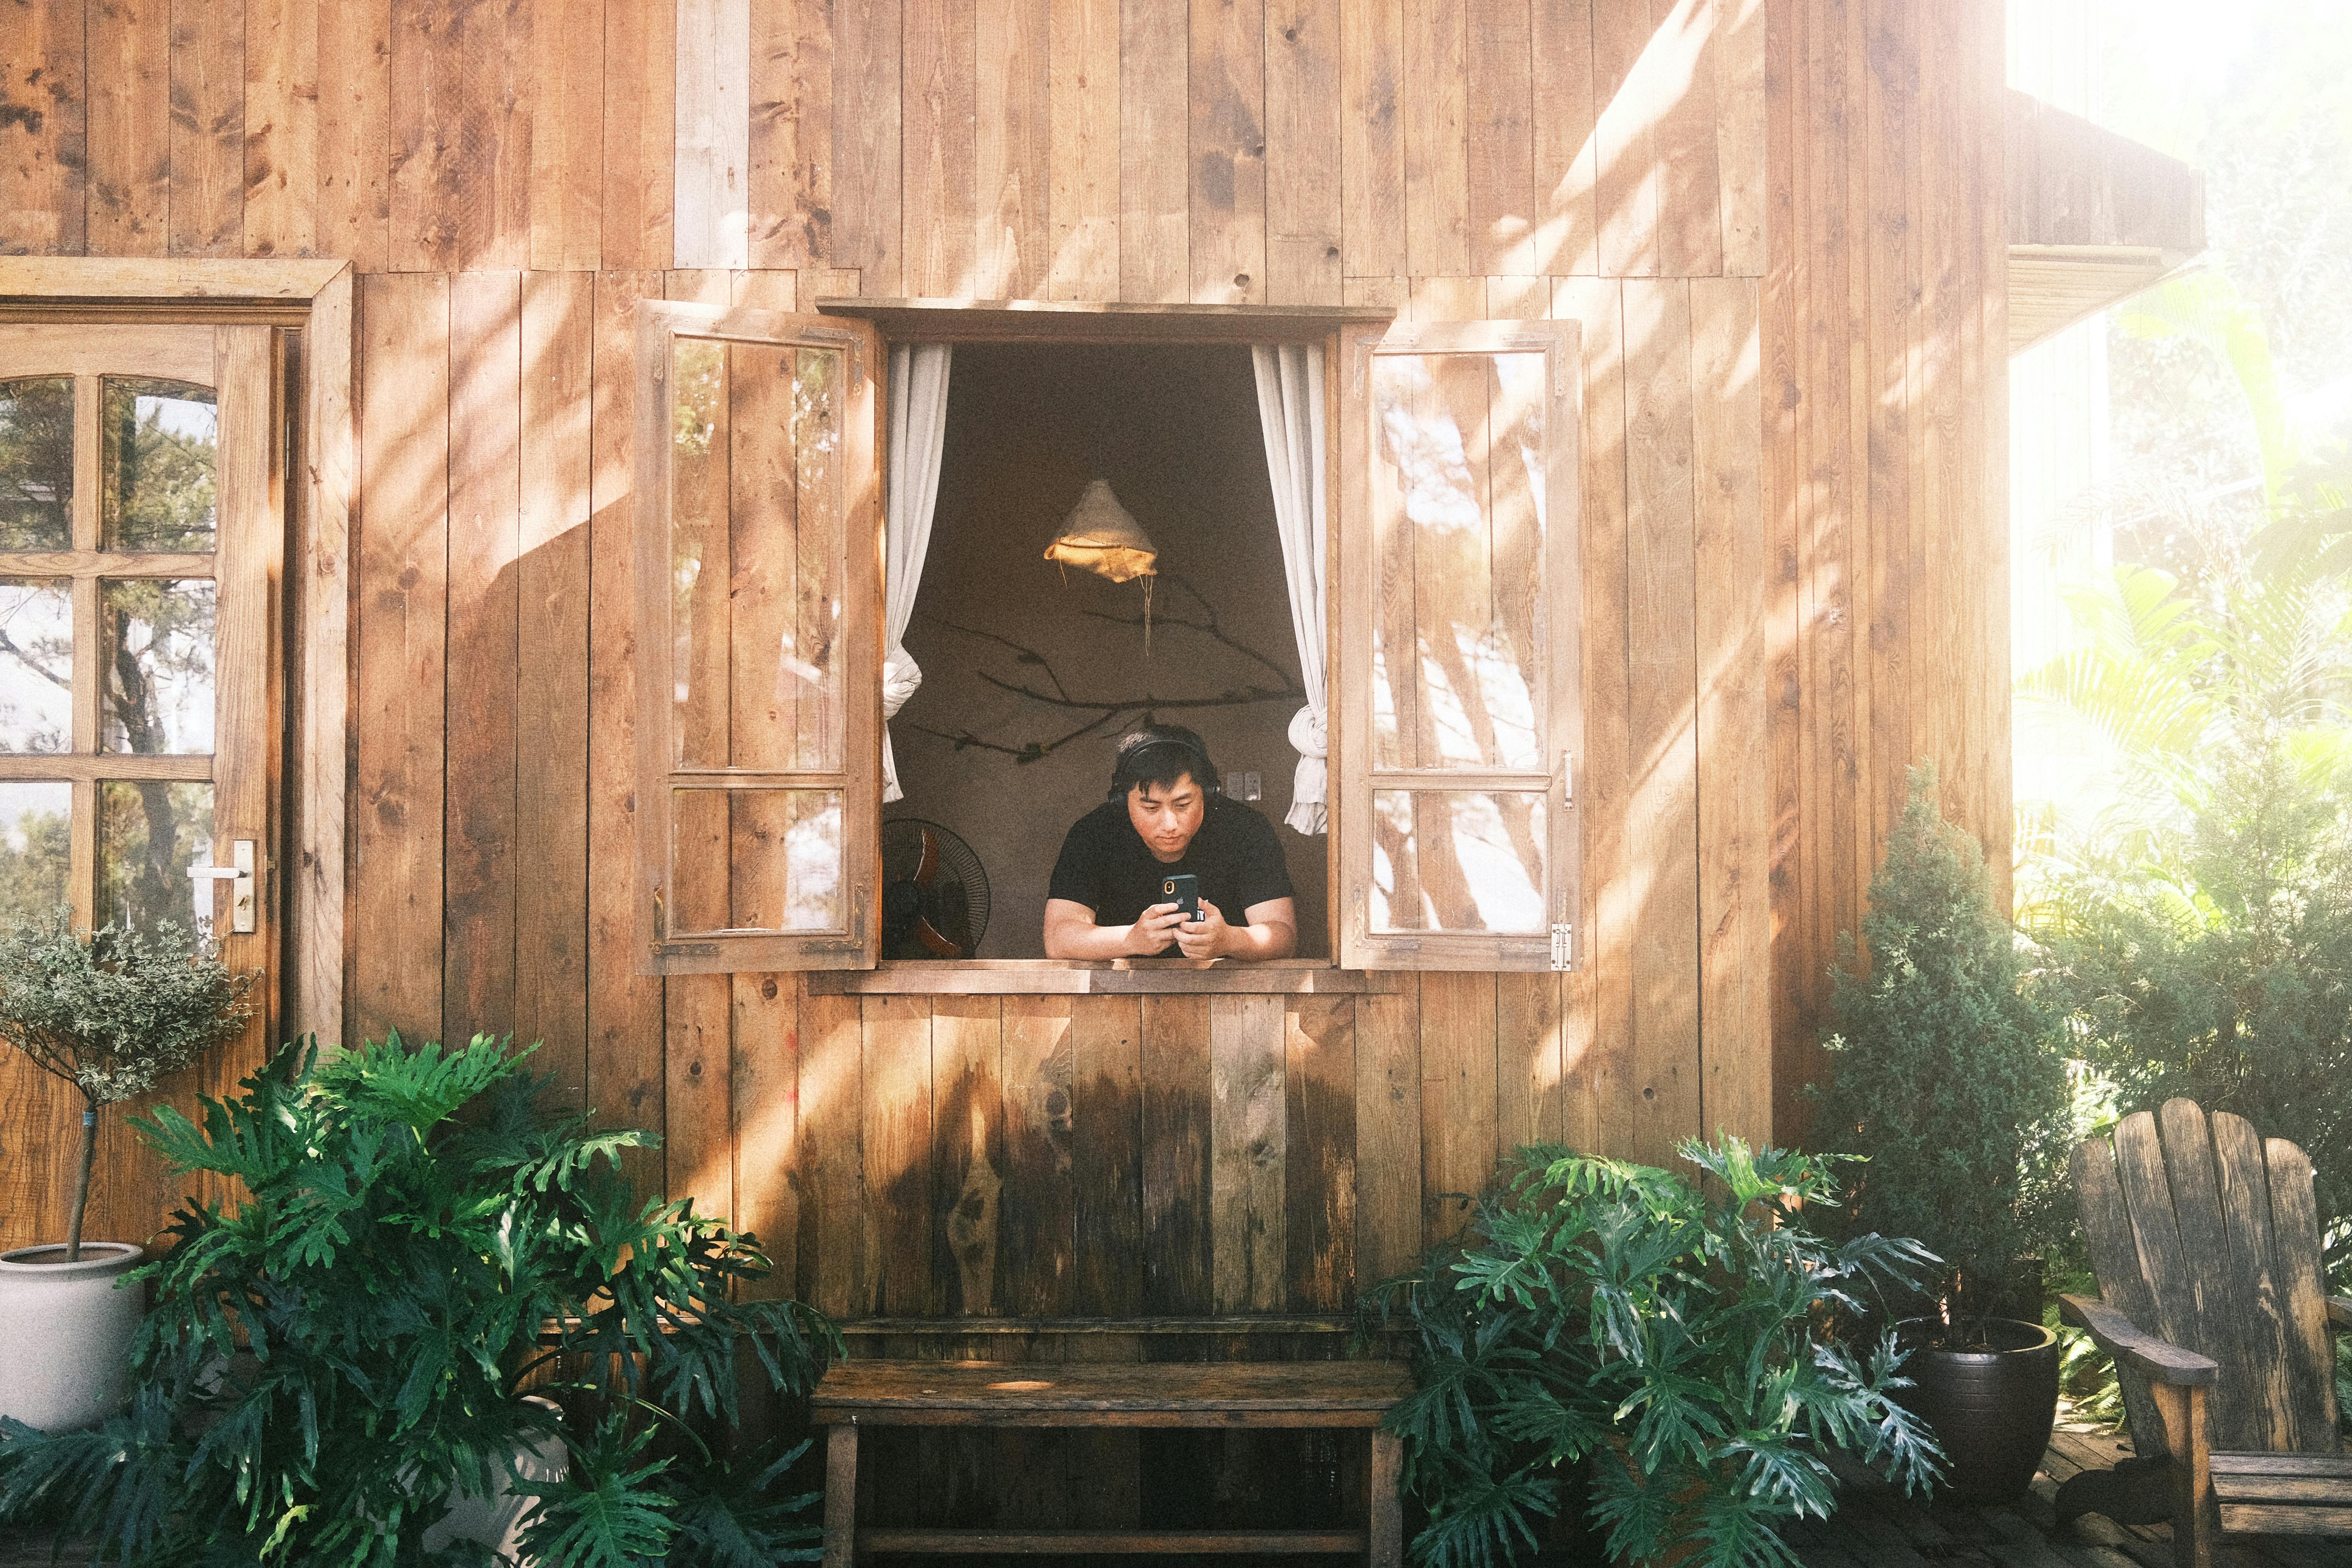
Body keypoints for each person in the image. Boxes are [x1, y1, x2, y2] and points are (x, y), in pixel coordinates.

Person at [1043, 724, 1298, 961]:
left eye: (1183, 805)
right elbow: (1057, 939)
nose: (1170, 824)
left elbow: (1284, 936)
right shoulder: (1093, 834)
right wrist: (1130, 940)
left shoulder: (1246, 829)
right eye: (1151, 808)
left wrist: (1230, 940)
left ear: (1209, 794)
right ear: (1121, 801)